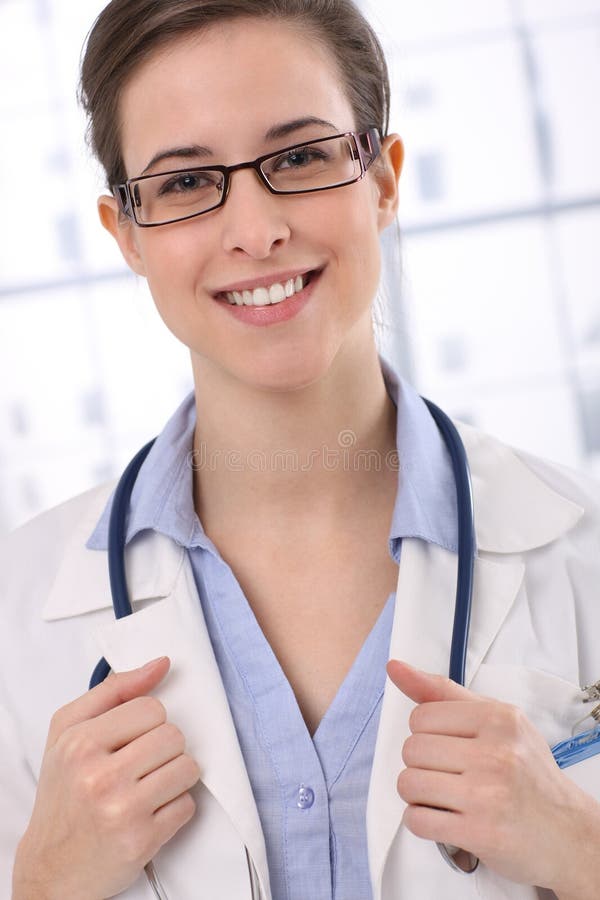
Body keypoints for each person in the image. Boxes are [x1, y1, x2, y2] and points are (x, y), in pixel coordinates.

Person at [2, 1, 600, 898]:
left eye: (299, 157)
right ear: (125, 233)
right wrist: (43, 883)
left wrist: (584, 847)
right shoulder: (18, 614)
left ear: (385, 179)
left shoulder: (583, 553)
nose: (256, 231)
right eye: (184, 183)